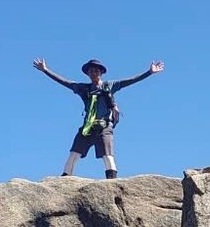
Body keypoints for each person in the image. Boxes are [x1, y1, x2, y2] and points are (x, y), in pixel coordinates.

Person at [32, 57, 165, 178]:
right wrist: (45, 70)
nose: (93, 73)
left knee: (107, 155)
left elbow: (129, 81)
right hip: (88, 127)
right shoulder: (83, 88)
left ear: (101, 72)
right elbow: (65, 82)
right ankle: (65, 179)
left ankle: (112, 182)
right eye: (91, 71)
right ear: (87, 73)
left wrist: (149, 72)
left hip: (104, 126)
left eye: (96, 70)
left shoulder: (109, 86)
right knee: (74, 154)